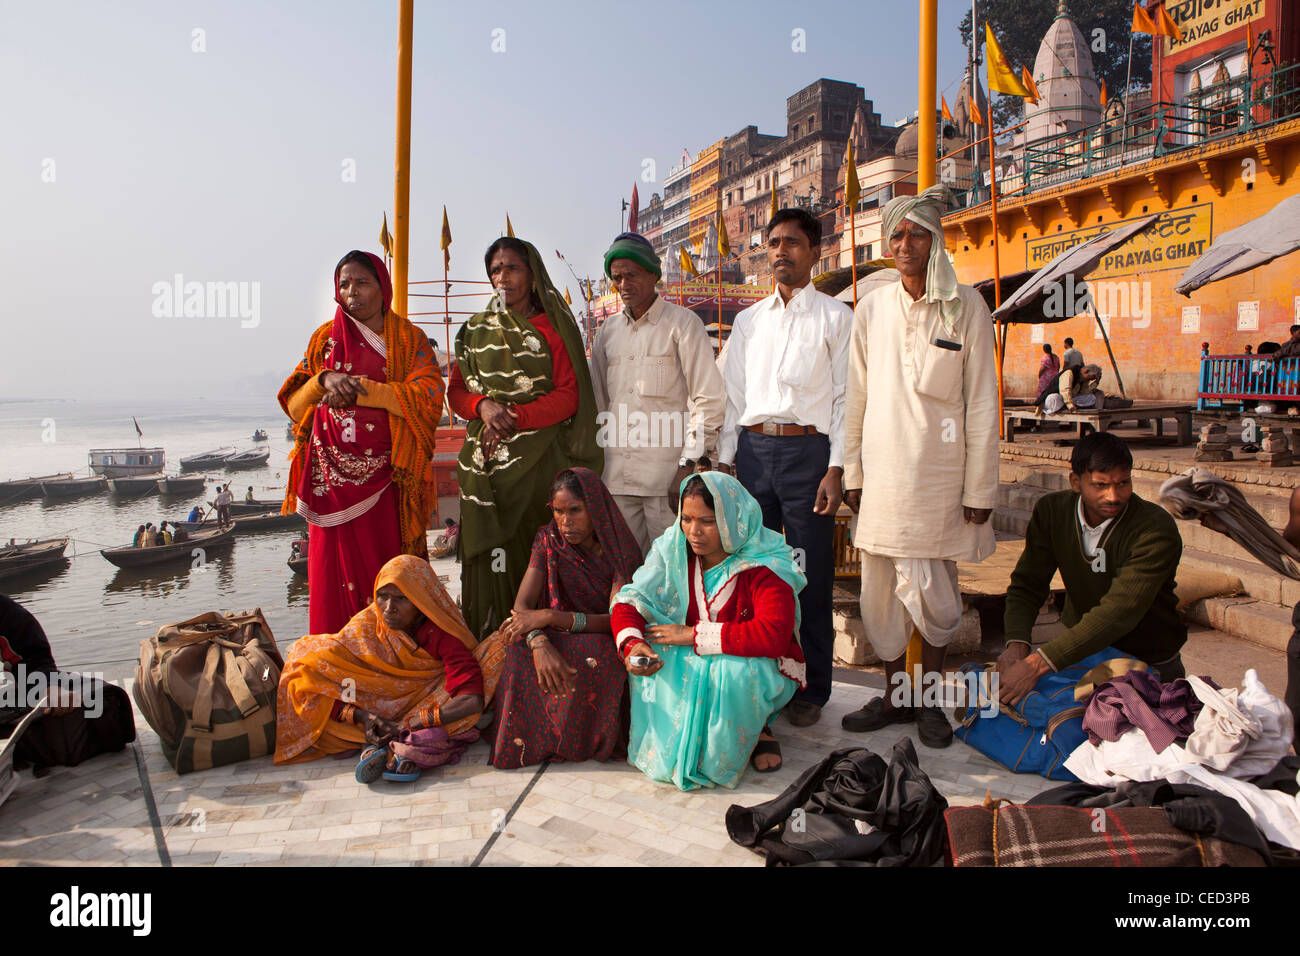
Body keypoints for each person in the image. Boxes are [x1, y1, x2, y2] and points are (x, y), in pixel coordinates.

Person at [840, 184, 999, 748]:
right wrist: (851, 474)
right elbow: (853, 397)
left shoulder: (968, 305)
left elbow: (982, 402)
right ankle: (892, 699)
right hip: (881, 482)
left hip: (939, 481)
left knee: (934, 596)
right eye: (897, 235)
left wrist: (980, 486)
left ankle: (928, 703)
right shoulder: (872, 307)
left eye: (917, 233)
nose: (905, 244)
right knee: (879, 598)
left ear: (937, 241)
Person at [717, 207, 851, 728]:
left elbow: (845, 400)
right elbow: (732, 397)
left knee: (808, 573)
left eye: (792, 243)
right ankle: (760, 678)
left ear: (815, 251)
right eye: (773, 243)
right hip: (752, 455)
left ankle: (813, 688)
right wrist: (726, 462)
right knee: (751, 571)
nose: (779, 252)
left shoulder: (837, 318)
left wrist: (836, 468)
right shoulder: (750, 322)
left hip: (807, 456)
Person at [279, 251, 444, 635]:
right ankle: (338, 662)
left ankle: (391, 664)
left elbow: (430, 397)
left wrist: (358, 390)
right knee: (331, 581)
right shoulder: (324, 341)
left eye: (362, 282)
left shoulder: (407, 340)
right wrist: (322, 383)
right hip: (328, 485)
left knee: (388, 577)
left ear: (382, 287)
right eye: (344, 284)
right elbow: (293, 404)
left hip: (388, 483)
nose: (352, 292)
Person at [447, 237, 602, 639]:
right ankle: (490, 646)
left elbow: (570, 396)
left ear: (533, 275)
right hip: (484, 469)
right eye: (495, 270)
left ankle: (541, 644)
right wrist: (483, 407)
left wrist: (513, 418)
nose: (503, 277)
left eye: (512, 268)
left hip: (537, 465)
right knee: (488, 561)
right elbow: (457, 392)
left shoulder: (555, 326)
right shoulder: (476, 330)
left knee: (535, 552)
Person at [611, 473, 807, 789]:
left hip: (755, 659)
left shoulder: (765, 563)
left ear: (733, 519)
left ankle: (754, 732)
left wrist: (693, 635)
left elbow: (773, 636)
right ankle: (694, 743)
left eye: (707, 521)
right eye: (686, 519)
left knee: (734, 671)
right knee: (656, 644)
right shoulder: (672, 549)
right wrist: (632, 646)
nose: (693, 531)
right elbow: (629, 600)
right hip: (697, 651)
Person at [274, 555, 507, 781]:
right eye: (382, 596)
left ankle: (390, 744)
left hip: (420, 707)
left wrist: (413, 723)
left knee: (498, 647)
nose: (388, 608)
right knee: (302, 677)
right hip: (371, 710)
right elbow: (323, 672)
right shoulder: (367, 625)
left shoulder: (438, 633)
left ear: (421, 601)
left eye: (401, 598)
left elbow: (471, 699)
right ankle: (395, 743)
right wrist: (363, 717)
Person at [998, 433, 1186, 705]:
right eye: (1100, 485)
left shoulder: (1154, 528)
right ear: (1076, 482)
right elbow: (1028, 583)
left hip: (1150, 662)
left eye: (1123, 483)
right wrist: (1016, 645)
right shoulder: (1052, 512)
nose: (1113, 496)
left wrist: (1036, 664)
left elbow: (1118, 613)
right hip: (1084, 657)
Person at [489, 468, 643, 769]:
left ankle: (583, 741)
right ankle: (536, 742)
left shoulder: (619, 550)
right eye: (558, 511)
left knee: (599, 657)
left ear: (595, 509)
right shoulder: (548, 541)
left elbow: (616, 619)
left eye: (575, 510)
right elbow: (522, 605)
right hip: (551, 634)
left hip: (599, 635)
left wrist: (550, 616)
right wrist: (538, 641)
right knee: (517, 651)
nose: (565, 521)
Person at [589, 232, 726, 554]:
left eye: (631, 275)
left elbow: (709, 399)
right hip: (617, 480)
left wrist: (687, 463)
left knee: (675, 573)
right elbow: (598, 404)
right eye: (617, 278)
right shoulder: (607, 333)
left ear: (653, 273)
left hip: (667, 482)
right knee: (626, 574)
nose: (624, 285)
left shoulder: (683, 324)